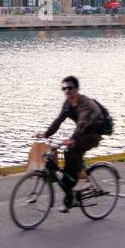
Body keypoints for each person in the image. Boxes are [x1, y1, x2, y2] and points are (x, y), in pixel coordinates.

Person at [38, 75, 105, 210]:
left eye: (70, 88)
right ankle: (70, 201)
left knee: (70, 151)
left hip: (93, 134)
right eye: (64, 88)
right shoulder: (68, 104)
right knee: (67, 170)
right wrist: (46, 134)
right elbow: (58, 121)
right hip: (82, 133)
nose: (66, 90)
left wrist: (72, 139)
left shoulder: (85, 104)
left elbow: (82, 123)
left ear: (77, 88)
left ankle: (83, 180)